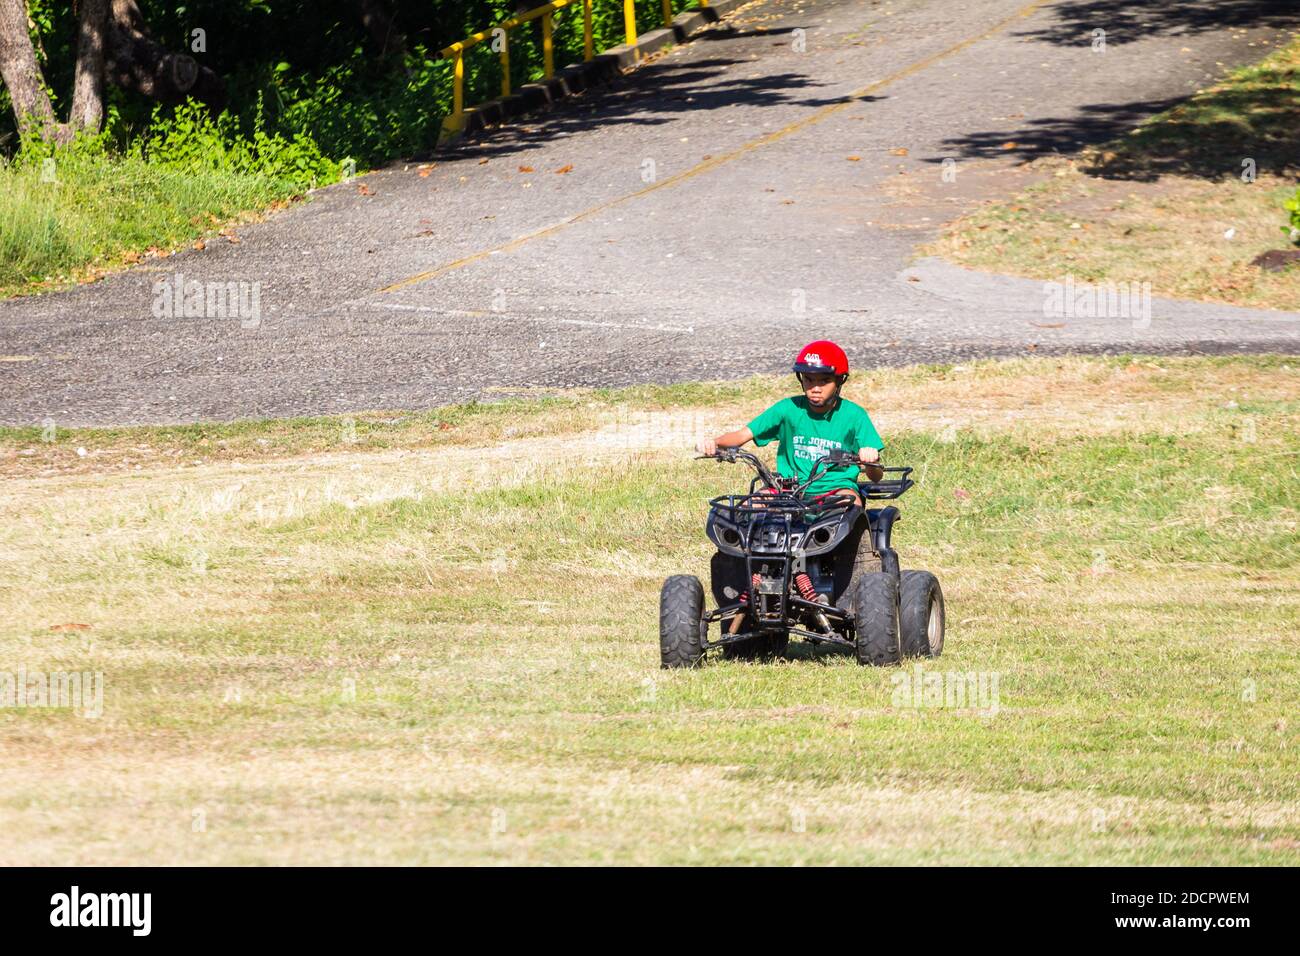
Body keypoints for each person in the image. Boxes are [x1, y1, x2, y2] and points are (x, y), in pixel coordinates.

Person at [695, 340, 884, 506]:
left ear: (839, 381)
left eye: (824, 381)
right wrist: (715, 442)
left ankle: (859, 547)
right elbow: (742, 435)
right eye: (809, 380)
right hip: (788, 488)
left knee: (850, 506)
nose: (815, 388)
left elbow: (876, 477)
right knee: (748, 509)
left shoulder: (854, 415)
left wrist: (870, 460)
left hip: (836, 488)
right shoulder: (788, 409)